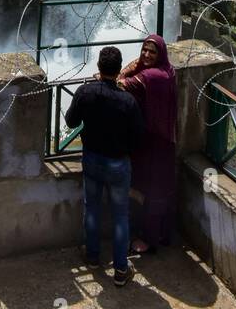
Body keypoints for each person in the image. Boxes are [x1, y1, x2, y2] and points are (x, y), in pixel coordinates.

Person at [65, 45, 145, 286]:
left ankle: (92, 257)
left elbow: (71, 121)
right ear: (119, 69)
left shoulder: (85, 92)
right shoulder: (128, 101)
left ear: (98, 67)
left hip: (92, 159)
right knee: (121, 215)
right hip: (119, 163)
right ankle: (121, 269)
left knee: (92, 208)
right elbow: (138, 135)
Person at [119, 33, 178, 254]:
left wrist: (129, 67)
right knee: (161, 188)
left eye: (152, 52)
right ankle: (162, 234)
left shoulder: (150, 77)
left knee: (150, 190)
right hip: (165, 139)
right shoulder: (169, 72)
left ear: (160, 53)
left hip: (151, 142)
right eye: (144, 50)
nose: (146, 54)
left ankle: (149, 240)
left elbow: (117, 82)